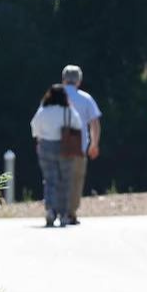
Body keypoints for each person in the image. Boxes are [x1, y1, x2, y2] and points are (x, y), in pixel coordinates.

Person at [30, 84, 83, 228]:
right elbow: (78, 125)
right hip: (65, 146)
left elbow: (34, 127)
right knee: (65, 180)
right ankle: (64, 213)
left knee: (50, 180)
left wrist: (40, 137)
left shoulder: (43, 111)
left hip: (46, 147)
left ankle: (50, 210)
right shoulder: (68, 110)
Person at [61, 65, 102, 225]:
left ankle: (58, 209)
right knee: (76, 180)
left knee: (59, 178)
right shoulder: (86, 98)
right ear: (79, 81)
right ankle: (71, 212)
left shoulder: (54, 96)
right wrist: (94, 144)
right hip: (79, 145)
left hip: (57, 144)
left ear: (63, 80)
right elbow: (95, 124)